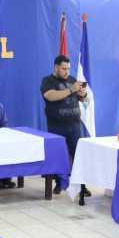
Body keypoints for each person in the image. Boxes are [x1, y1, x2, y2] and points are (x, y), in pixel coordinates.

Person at [41, 55, 90, 195]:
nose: (67, 71)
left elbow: (84, 99)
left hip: (74, 125)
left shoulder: (73, 80)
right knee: (57, 156)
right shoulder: (48, 81)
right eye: (63, 68)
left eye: (68, 68)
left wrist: (83, 93)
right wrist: (70, 90)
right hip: (57, 126)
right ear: (56, 67)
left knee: (78, 156)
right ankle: (59, 184)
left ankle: (82, 186)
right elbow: (50, 96)